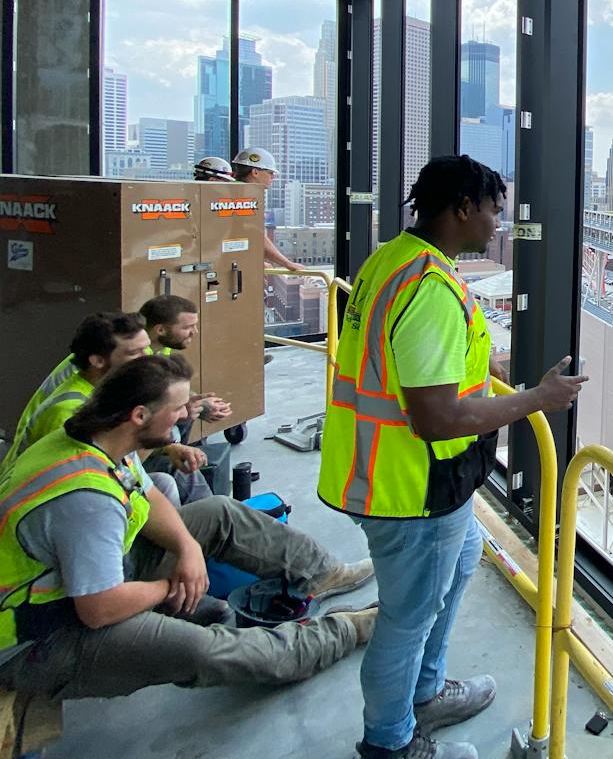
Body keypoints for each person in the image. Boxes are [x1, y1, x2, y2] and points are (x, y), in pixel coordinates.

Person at [319, 155, 587, 759]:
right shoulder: (429, 289)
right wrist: (537, 399)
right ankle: (390, 743)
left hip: (409, 480)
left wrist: (477, 371)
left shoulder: (393, 260)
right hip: (410, 488)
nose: (498, 223)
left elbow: (410, 371)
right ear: (462, 208)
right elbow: (434, 416)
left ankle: (426, 692)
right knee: (406, 619)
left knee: (461, 563)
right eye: (493, 209)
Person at [0, 355, 378, 703]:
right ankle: (345, 629)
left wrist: (188, 548)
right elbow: (99, 609)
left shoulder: (103, 439)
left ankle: (323, 574)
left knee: (218, 512)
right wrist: (169, 587)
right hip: (45, 634)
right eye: (178, 408)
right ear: (139, 415)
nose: (187, 414)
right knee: (203, 650)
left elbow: (147, 495)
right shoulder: (86, 501)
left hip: (90, 583)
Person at [3, 313, 160, 473]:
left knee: (164, 482)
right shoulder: (69, 411)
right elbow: (78, 478)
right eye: (134, 353)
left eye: (146, 349)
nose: (147, 358)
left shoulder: (110, 391)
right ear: (98, 361)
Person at [137, 294, 234, 503]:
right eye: (188, 326)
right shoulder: (135, 360)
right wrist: (172, 448)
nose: (194, 332)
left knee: (187, 414)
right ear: (160, 329)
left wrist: (198, 403)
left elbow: (162, 390)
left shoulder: (158, 347)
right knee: (180, 464)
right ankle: (210, 513)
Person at [231, 147, 303, 272]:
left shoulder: (229, 191)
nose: (273, 177)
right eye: (270, 173)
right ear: (255, 172)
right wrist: (287, 264)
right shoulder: (244, 199)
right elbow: (257, 237)